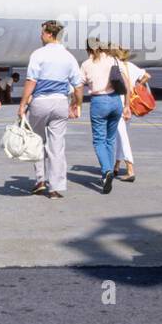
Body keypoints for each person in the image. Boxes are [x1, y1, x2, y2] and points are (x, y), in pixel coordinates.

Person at [17, 20, 83, 199]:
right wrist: (77, 104)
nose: (40, 35)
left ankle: (40, 180)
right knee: (57, 147)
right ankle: (55, 188)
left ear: (48, 34)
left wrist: (23, 103)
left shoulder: (38, 54)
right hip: (61, 102)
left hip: (41, 102)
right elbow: (78, 85)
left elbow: (31, 81)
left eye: (42, 32)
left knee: (37, 141)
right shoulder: (69, 57)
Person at [80, 38, 123, 194]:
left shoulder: (86, 64)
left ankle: (106, 171)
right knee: (110, 139)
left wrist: (76, 103)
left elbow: (79, 84)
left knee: (99, 140)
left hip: (99, 102)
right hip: (116, 101)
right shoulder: (112, 59)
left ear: (88, 49)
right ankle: (108, 172)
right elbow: (122, 79)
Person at [111, 45, 151, 182]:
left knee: (122, 136)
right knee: (121, 135)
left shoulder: (115, 66)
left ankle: (130, 168)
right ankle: (116, 165)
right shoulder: (130, 66)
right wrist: (136, 87)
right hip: (130, 104)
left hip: (120, 103)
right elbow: (147, 76)